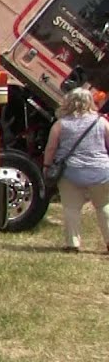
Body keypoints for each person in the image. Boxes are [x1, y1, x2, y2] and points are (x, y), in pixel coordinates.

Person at [43, 87, 109, 253]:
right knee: (104, 207)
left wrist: (46, 166)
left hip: (71, 172)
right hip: (100, 171)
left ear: (69, 102)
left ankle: (73, 244)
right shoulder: (101, 122)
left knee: (71, 208)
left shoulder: (61, 124)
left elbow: (51, 148)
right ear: (90, 102)